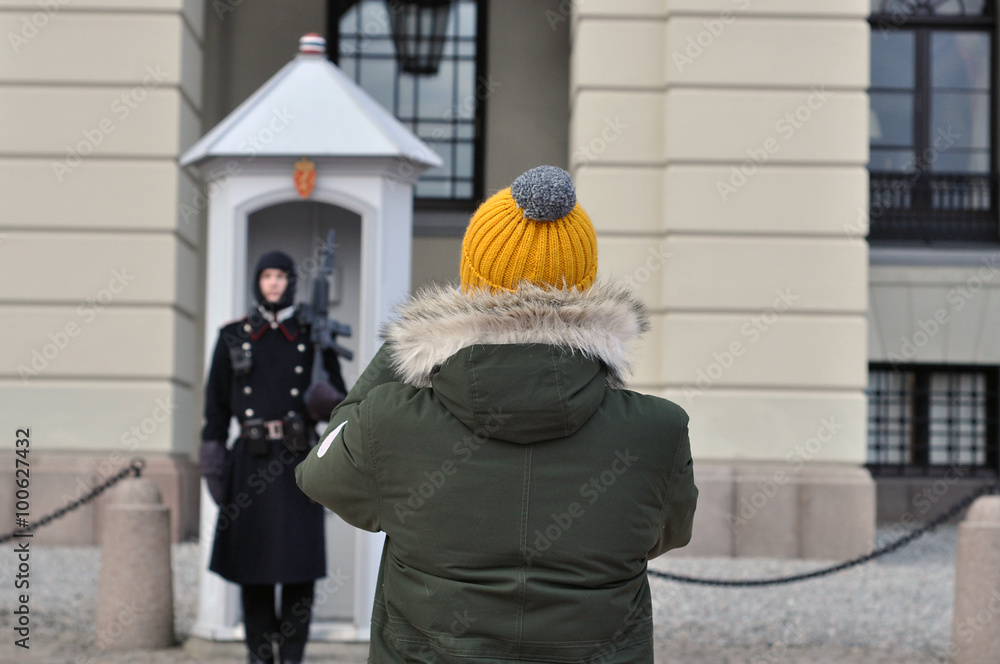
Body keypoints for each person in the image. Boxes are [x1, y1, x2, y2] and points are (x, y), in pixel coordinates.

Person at [295, 165, 698, 664]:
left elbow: (319, 473)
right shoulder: (657, 431)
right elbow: (666, 532)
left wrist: (403, 348)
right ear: (585, 290)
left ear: (471, 288)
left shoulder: (389, 421)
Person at [200, 250, 348, 664]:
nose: (274, 283)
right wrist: (213, 463)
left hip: (300, 463)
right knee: (254, 571)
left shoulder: (311, 335)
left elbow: (340, 402)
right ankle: (260, 657)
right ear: (257, 281)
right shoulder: (233, 337)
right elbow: (215, 410)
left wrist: (323, 395)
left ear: (291, 282)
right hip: (248, 464)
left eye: (281, 275)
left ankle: (294, 657)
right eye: (267, 275)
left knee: (299, 570)